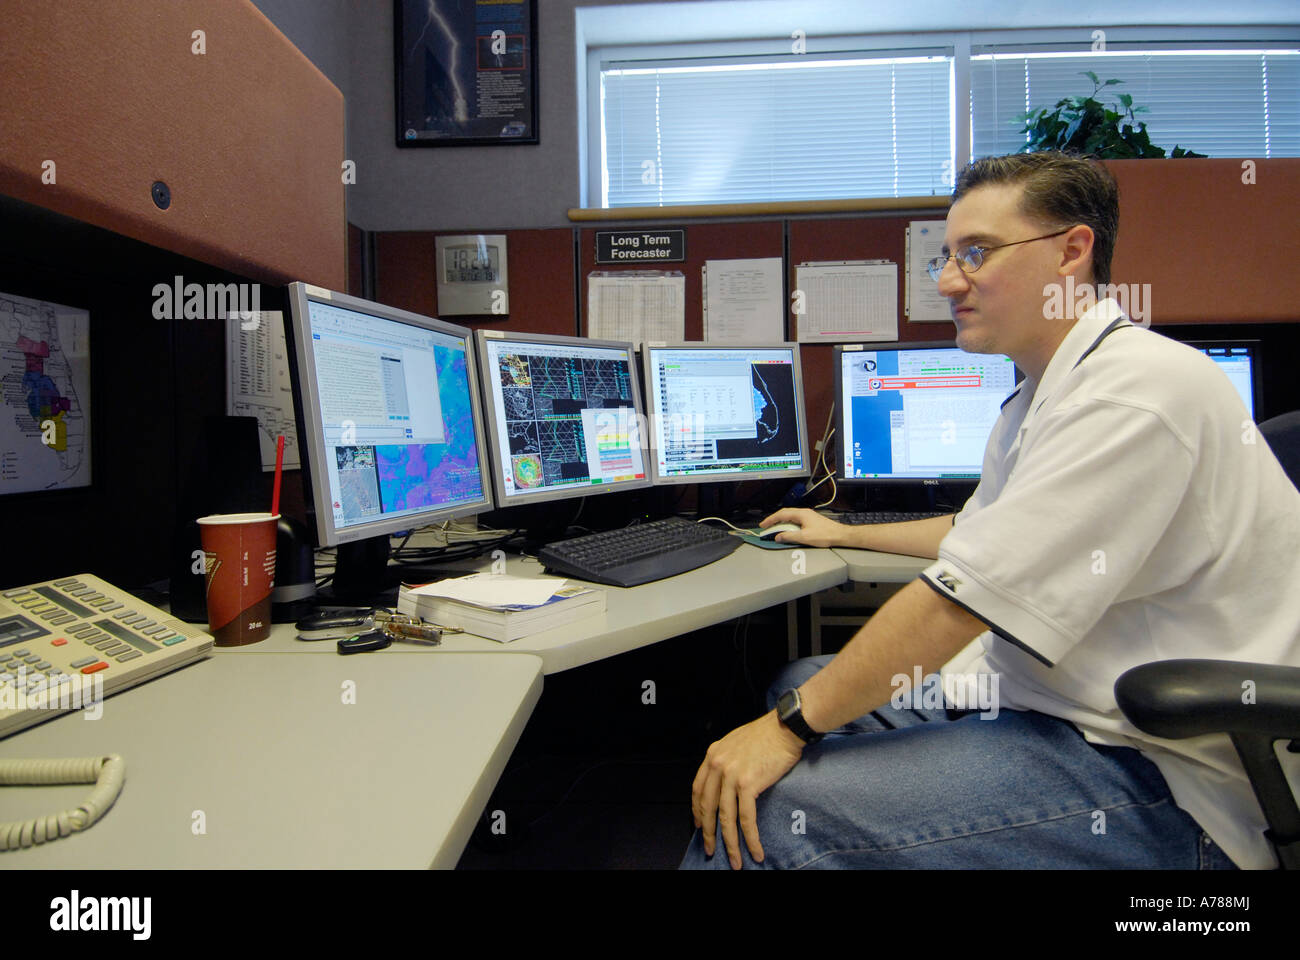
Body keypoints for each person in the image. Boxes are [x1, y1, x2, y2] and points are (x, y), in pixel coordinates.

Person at [680, 151, 1300, 870]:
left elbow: (962, 602)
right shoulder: (1040, 394)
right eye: (946, 256)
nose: (947, 281)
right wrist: (843, 531)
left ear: (1072, 251)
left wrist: (785, 731)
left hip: (1165, 775)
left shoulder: (1135, 391)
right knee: (798, 682)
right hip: (1062, 707)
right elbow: (975, 534)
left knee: (777, 808)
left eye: (976, 254)